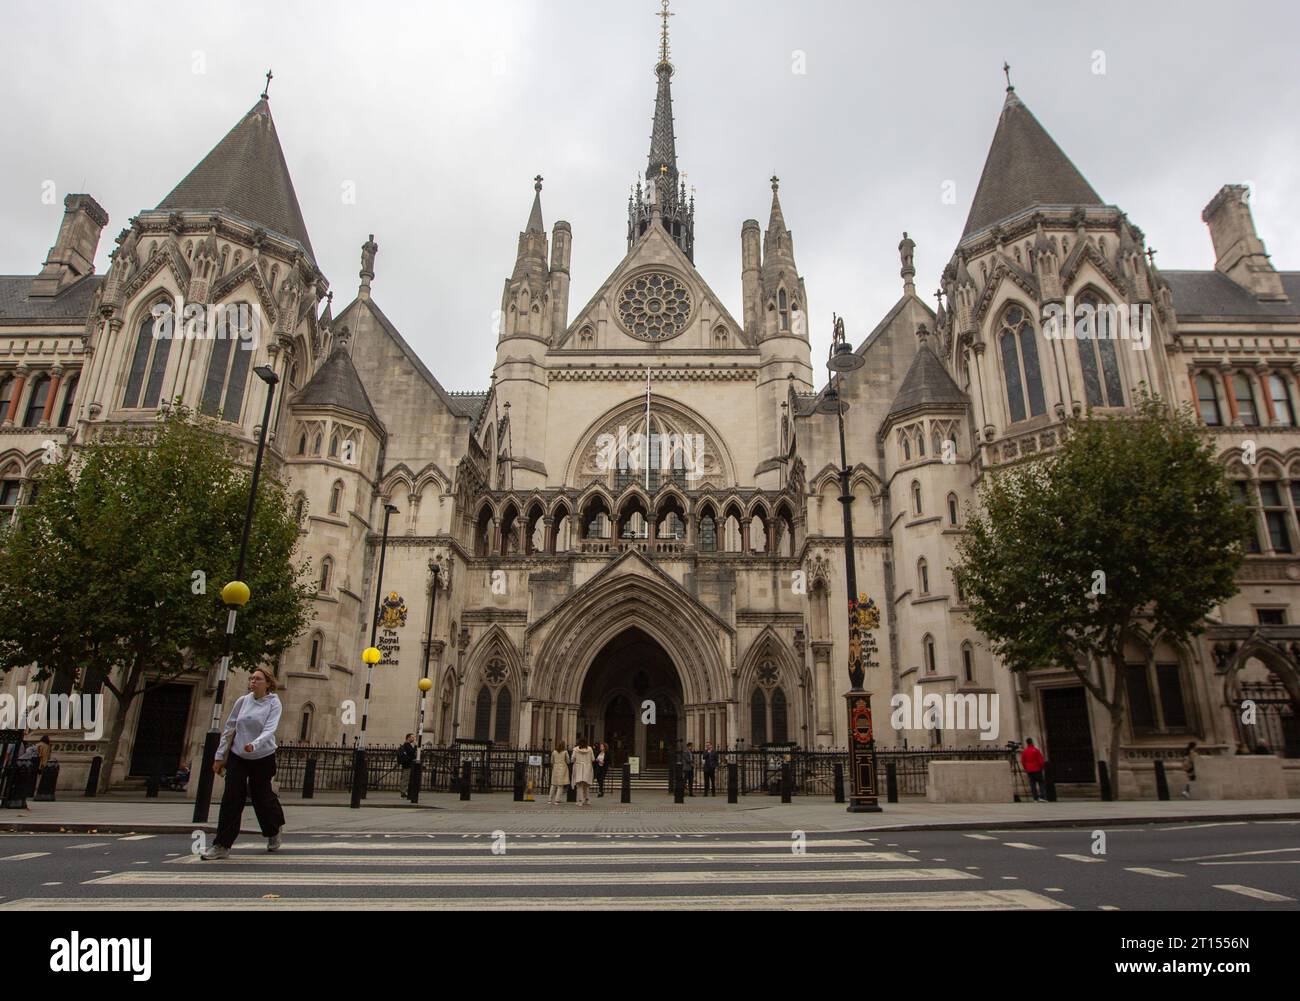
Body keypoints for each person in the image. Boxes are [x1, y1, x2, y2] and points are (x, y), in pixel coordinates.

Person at [202, 668, 287, 860]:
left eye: (258, 679)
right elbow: (229, 728)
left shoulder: (274, 703)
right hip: (238, 755)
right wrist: (219, 756)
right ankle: (222, 844)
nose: (253, 681)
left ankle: (273, 830)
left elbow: (270, 729)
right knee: (232, 797)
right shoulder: (243, 701)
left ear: (268, 683)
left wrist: (255, 744)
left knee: (261, 796)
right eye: (251, 678)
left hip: (262, 755)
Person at [1020, 737, 1046, 802]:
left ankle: (1035, 798)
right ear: (1032, 742)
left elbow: (1023, 761)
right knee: (1041, 783)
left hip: (1030, 770)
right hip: (1037, 769)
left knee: (1032, 784)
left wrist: (1026, 768)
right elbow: (1041, 760)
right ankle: (1042, 797)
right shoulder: (1036, 750)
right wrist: (1042, 767)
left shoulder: (1025, 751)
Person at [571, 738, 595, 807]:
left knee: (579, 786)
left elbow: (572, 759)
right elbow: (593, 759)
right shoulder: (590, 749)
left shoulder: (575, 749)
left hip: (578, 768)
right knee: (586, 785)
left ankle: (580, 801)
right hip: (587, 768)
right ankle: (587, 800)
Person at [549, 740, 571, 805]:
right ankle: (557, 799)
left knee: (553, 784)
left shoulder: (554, 752)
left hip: (555, 768)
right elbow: (568, 761)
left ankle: (549, 799)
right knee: (560, 785)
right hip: (562, 768)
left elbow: (551, 761)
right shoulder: (565, 752)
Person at [397, 732, 417, 799]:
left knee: (406, 778)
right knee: (406, 779)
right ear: (408, 738)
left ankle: (404, 792)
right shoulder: (407, 745)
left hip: (406, 764)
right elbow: (411, 754)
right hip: (407, 764)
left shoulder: (407, 745)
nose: (414, 739)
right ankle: (403, 792)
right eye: (412, 737)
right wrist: (415, 746)